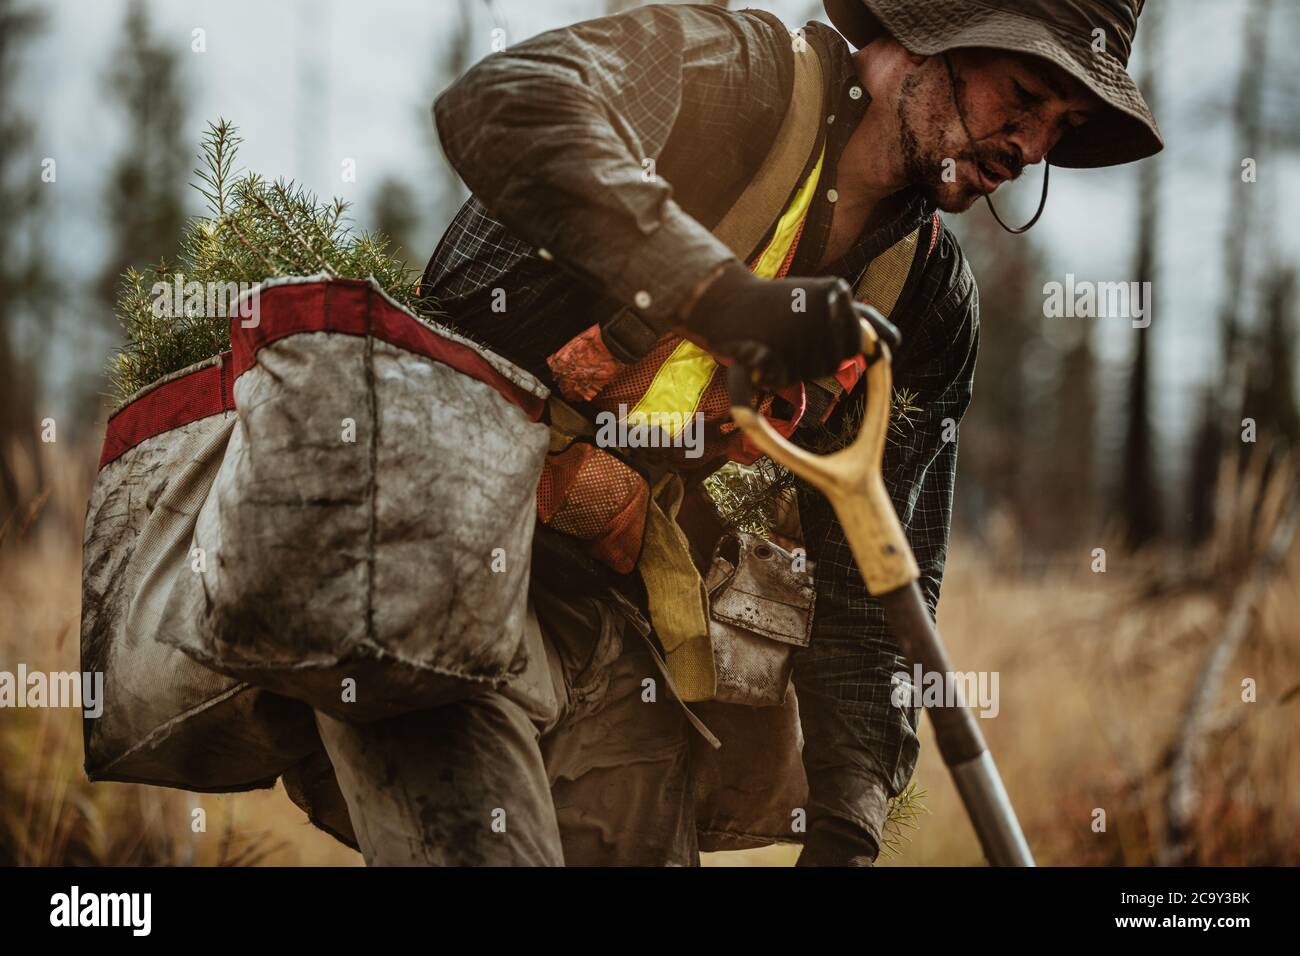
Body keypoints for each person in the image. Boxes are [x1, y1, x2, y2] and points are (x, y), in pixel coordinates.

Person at [315, 0, 1161, 866]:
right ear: (929, 30)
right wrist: (720, 296)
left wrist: (848, 822)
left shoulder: (927, 301)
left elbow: (879, 576)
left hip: (603, 613)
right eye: (1022, 94)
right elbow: (503, 102)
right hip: (428, 555)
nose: (1030, 147)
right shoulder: (734, 78)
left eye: (1064, 126)